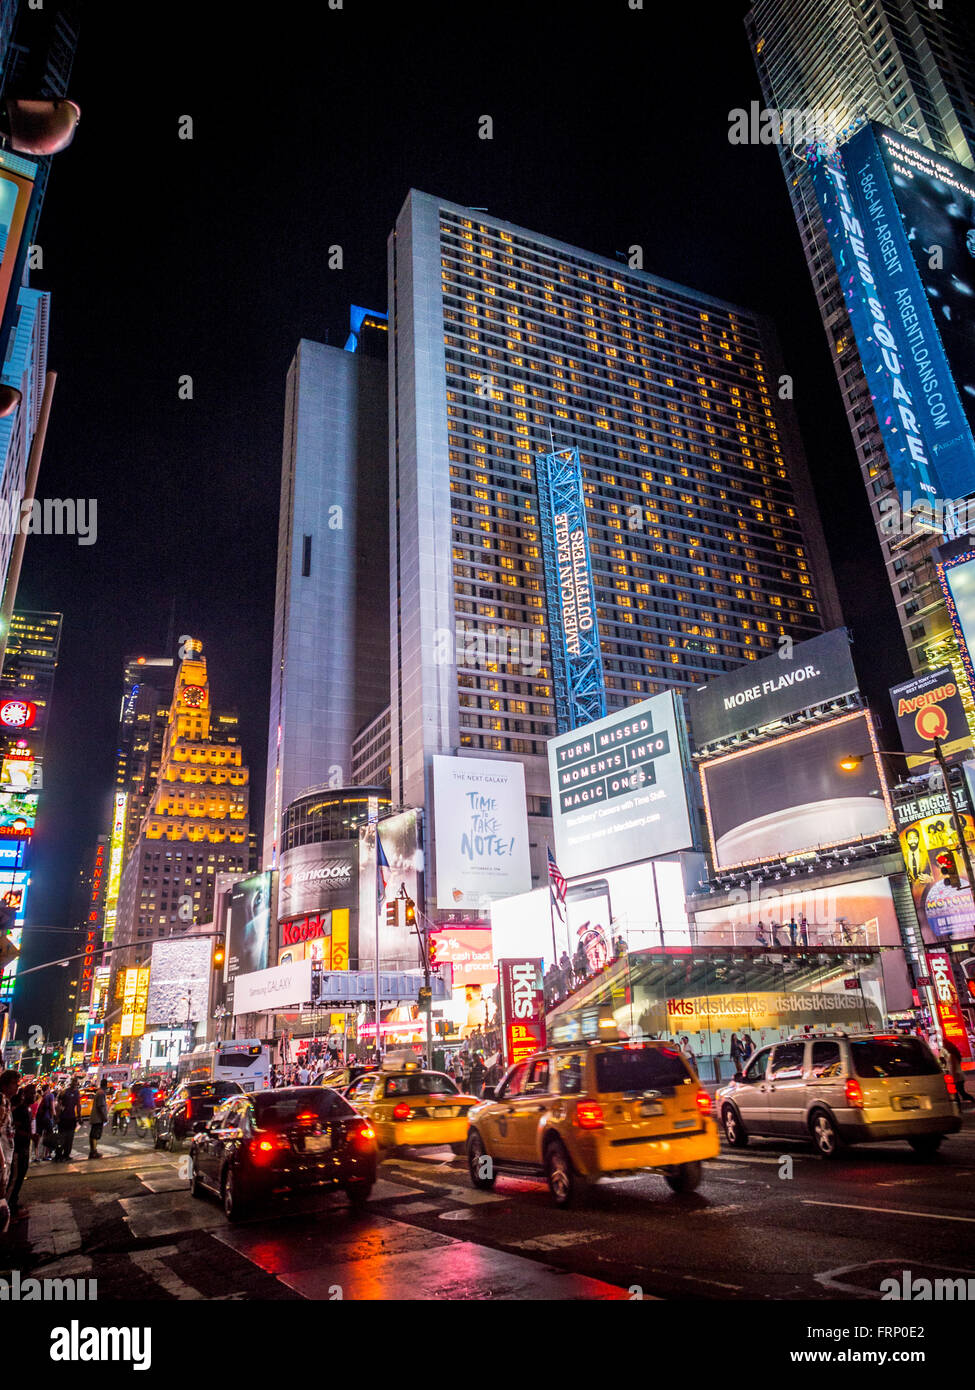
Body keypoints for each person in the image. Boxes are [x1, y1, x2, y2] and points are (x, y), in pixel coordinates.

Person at [7, 1084, 34, 1215]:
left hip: (24, 1148)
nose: (34, 1096)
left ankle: (13, 1204)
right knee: (14, 1178)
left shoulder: (27, 1109)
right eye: (31, 1093)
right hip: (17, 1149)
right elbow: (14, 1129)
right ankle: (8, 1209)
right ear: (24, 1095)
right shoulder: (20, 1110)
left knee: (19, 1177)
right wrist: (31, 1136)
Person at [0, 1070, 19, 1233]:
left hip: (6, 1156)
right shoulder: (1, 1101)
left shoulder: (7, 1102)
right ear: (5, 1085)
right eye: (15, 1083)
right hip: (2, 1159)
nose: (17, 1087)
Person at [55, 1080, 82, 1161]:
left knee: (67, 1137)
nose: (75, 1085)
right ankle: (60, 1155)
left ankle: (64, 1155)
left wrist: (79, 1116)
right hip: (65, 1118)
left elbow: (78, 1105)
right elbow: (59, 1105)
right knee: (64, 1137)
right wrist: (57, 1116)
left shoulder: (75, 1093)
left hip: (69, 1118)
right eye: (74, 1083)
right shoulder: (64, 1092)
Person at [942, 1038, 974, 1106]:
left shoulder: (952, 1055)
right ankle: (959, 1107)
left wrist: (952, 1079)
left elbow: (953, 1067)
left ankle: (958, 1108)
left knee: (958, 1094)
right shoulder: (954, 1054)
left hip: (957, 1076)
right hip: (959, 1076)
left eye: (944, 1045)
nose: (943, 1047)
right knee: (961, 1093)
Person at [88, 1078, 109, 1159]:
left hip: (96, 1117)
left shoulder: (99, 1092)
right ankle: (93, 1152)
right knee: (94, 1135)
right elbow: (101, 1106)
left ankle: (93, 1151)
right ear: (106, 1085)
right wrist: (104, 1117)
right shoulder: (101, 1093)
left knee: (94, 1135)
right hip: (98, 1118)